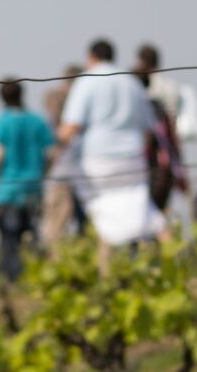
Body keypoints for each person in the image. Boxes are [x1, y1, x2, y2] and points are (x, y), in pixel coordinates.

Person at [60, 39, 165, 269]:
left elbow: (71, 126)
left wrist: (56, 148)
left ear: (91, 57)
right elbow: (149, 129)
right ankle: (149, 266)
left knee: (103, 216)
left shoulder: (87, 80)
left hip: (98, 158)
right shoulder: (131, 82)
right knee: (137, 212)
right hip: (132, 158)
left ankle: (105, 272)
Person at [0, 79, 54, 282]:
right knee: (31, 236)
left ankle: (13, 282)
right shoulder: (37, 120)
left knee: (9, 240)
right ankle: (35, 278)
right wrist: (42, 173)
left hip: (8, 190)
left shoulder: (3, 121)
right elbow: (50, 152)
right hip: (33, 187)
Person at [41, 65, 86, 248]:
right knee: (84, 227)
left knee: (56, 231)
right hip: (83, 174)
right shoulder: (85, 105)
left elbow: (55, 143)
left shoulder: (62, 100)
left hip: (62, 174)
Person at [133, 70, 188, 212]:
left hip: (146, 168)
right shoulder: (157, 107)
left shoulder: (139, 108)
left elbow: (150, 137)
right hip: (163, 168)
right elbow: (172, 139)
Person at [136, 43, 197, 143]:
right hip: (172, 136)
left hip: (154, 138)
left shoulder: (145, 86)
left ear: (141, 62)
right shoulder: (171, 85)